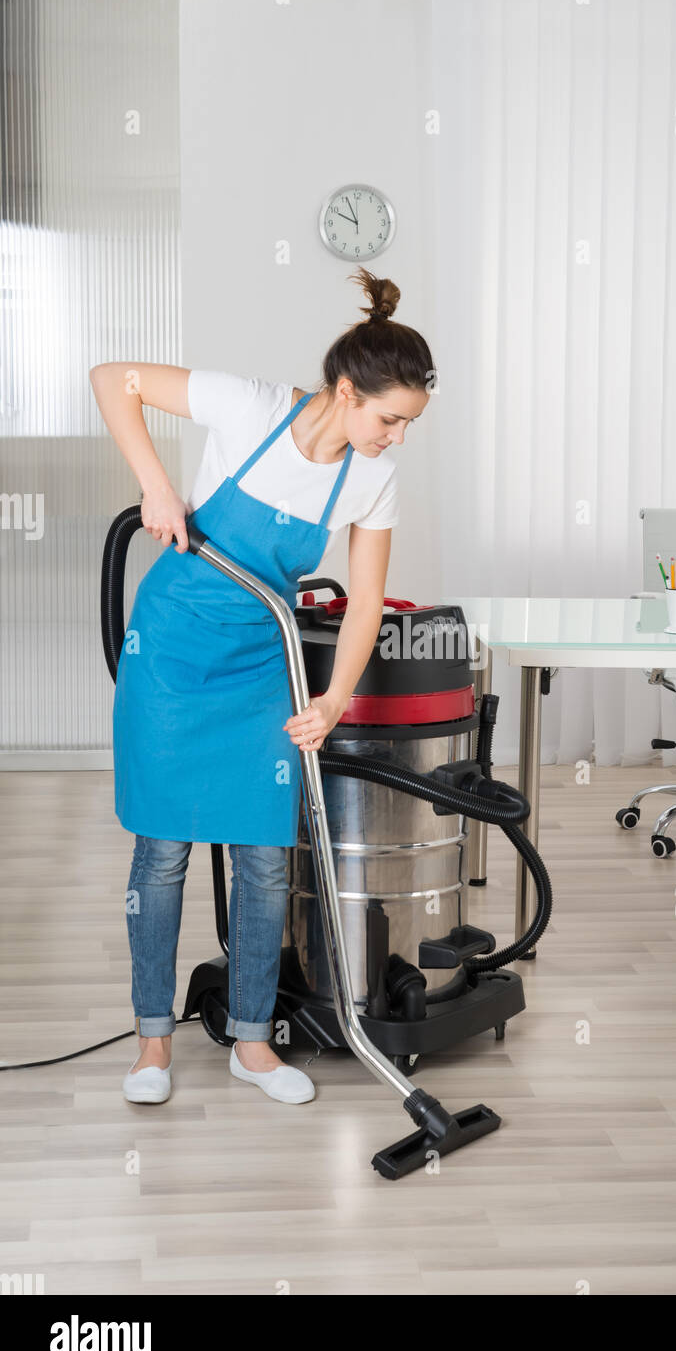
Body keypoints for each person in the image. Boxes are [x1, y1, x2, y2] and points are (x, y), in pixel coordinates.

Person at [89, 267, 433, 1106]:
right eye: (388, 419)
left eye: (406, 425)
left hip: (259, 664)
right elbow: (113, 380)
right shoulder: (249, 407)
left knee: (264, 859)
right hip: (170, 652)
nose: (395, 438)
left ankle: (252, 1042)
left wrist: (332, 700)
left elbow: (361, 610)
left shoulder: (369, 477)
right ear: (346, 392)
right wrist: (157, 485)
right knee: (163, 850)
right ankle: (151, 1045)